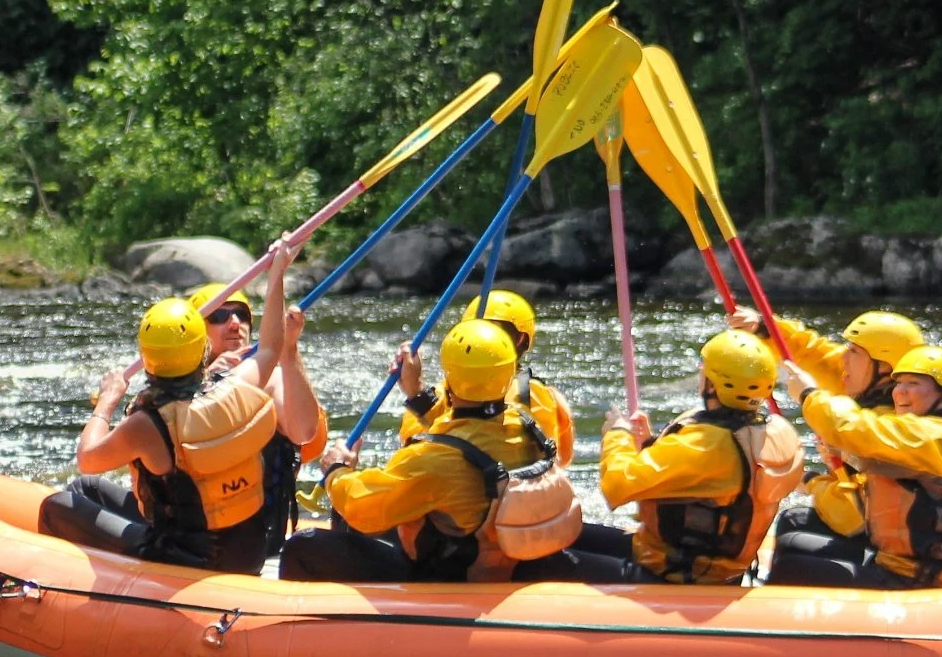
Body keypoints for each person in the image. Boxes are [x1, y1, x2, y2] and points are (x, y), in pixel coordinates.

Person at [284, 320, 630, 582]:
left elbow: (362, 507)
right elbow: (471, 425)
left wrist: (337, 472)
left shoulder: (434, 459)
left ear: (448, 375)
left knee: (304, 545)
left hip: (456, 573)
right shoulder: (527, 423)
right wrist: (416, 393)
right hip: (515, 556)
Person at [44, 242, 307, 572]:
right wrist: (277, 273)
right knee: (87, 491)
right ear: (202, 348)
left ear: (148, 358)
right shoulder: (235, 385)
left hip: (190, 559)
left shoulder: (148, 423)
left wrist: (107, 403)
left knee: (58, 506)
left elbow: (88, 457)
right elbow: (269, 347)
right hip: (250, 553)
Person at [767, 344, 942, 589]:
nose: (900, 392)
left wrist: (809, 394)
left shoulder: (934, 435)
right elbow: (896, 469)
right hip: (907, 567)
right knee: (792, 542)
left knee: (789, 566)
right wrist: (843, 455)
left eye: (913, 384)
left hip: (916, 579)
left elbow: (850, 426)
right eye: (899, 383)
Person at [593, 330, 805, 584]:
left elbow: (616, 487)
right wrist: (650, 443)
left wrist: (617, 434)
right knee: (581, 535)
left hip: (677, 572)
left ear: (712, 384)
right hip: (720, 568)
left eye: (704, 369)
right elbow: (702, 480)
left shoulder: (709, 445)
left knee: (560, 558)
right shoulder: (777, 431)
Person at [726, 306, 924, 576]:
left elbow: (854, 516)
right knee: (793, 520)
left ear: (884, 368)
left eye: (854, 352)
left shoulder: (894, 425)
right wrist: (763, 327)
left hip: (891, 552)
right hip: (877, 534)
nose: (843, 358)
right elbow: (813, 353)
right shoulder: (865, 385)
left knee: (791, 549)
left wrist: (810, 482)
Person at [398, 290, 575, 465]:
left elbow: (411, 455)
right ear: (522, 340)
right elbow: (562, 459)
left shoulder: (435, 398)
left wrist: (417, 393)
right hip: (519, 488)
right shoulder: (544, 395)